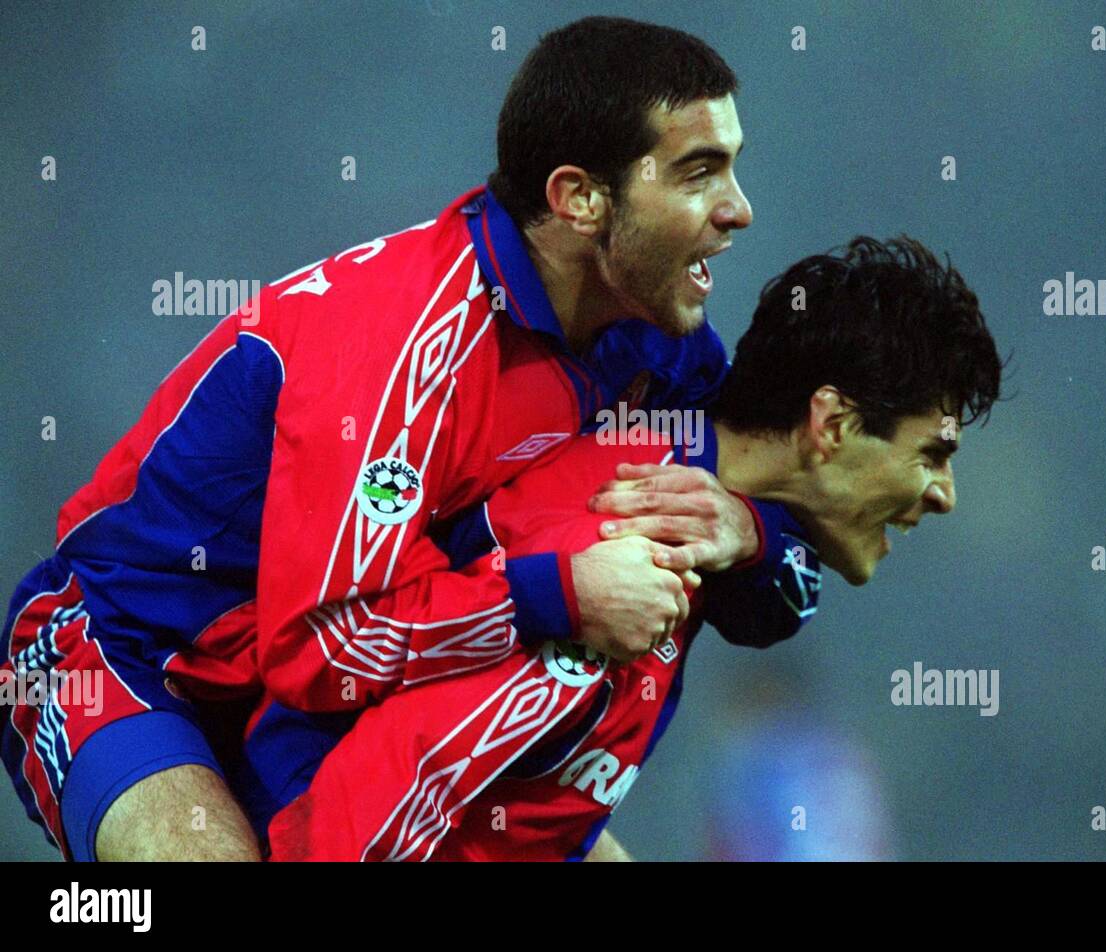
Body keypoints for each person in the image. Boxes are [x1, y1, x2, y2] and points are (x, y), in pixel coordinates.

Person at [0, 17, 814, 862]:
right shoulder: (403, 345)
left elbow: (789, 580)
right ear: (579, 199)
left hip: (324, 710)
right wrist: (559, 593)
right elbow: (320, 643)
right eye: (698, 172)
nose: (739, 210)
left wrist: (751, 537)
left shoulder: (663, 349)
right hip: (125, 654)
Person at [244, 235, 1004, 860]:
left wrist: (754, 540)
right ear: (832, 425)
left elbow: (784, 595)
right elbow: (391, 791)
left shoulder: (697, 485)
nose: (943, 494)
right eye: (931, 456)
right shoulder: (624, 558)